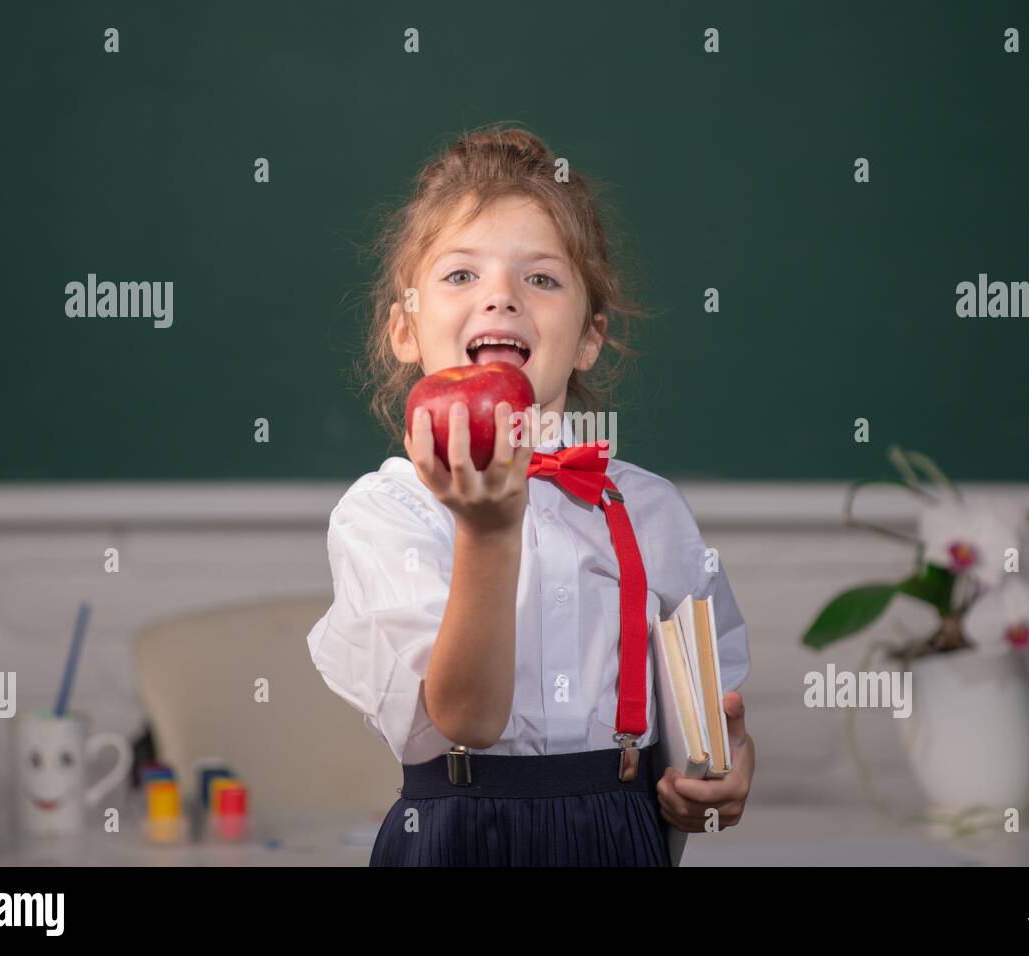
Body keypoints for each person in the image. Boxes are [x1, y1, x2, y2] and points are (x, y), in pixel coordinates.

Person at [306, 124, 754, 866]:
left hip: (620, 836)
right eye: (460, 276)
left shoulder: (651, 509)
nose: (502, 298)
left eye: (541, 279)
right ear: (403, 329)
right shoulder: (386, 514)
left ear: (587, 339)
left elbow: (713, 718)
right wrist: (487, 533)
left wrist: (726, 774)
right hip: (454, 838)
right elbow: (464, 720)